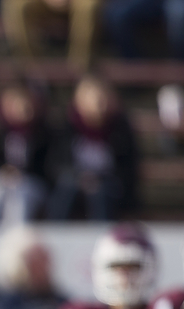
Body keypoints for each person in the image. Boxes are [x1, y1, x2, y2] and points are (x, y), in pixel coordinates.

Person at [47, 76, 139, 222]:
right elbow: (56, 164)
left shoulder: (120, 128)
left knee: (101, 192)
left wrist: (100, 179)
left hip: (108, 185)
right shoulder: (67, 127)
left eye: (102, 99)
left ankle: (101, 235)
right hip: (74, 182)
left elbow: (128, 168)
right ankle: (56, 232)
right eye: (93, 99)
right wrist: (80, 178)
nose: (98, 104)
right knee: (66, 187)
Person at [0, 82, 51, 227]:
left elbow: (47, 167)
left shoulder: (44, 134)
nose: (22, 110)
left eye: (26, 105)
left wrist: (23, 173)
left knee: (18, 193)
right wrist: (3, 170)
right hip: (5, 180)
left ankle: (17, 235)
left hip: (33, 184)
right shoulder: (0, 134)